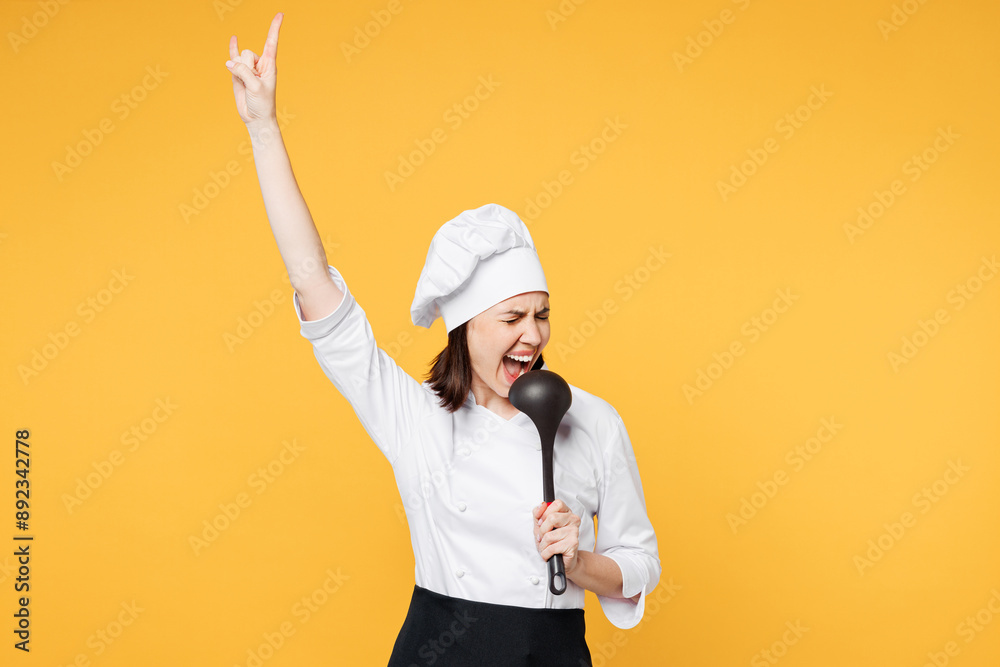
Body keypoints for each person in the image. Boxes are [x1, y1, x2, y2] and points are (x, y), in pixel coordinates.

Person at [225, 13, 660, 666]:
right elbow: (313, 281)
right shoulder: (417, 418)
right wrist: (263, 128)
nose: (533, 335)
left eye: (541, 315)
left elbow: (639, 563)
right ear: (465, 327)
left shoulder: (593, 422)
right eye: (511, 318)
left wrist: (579, 562)